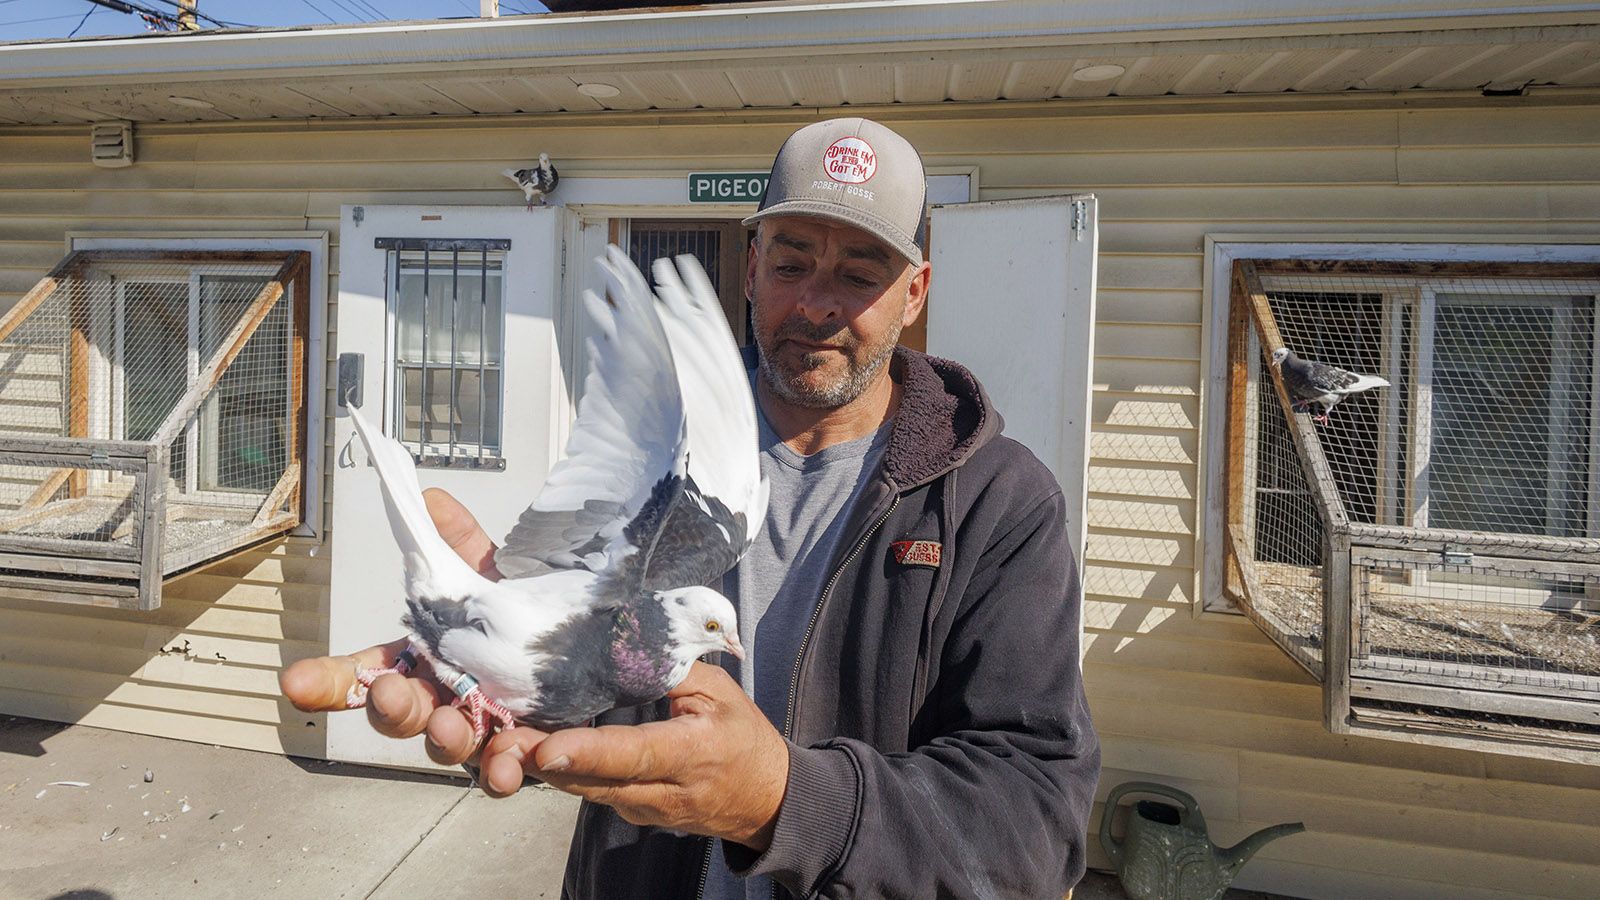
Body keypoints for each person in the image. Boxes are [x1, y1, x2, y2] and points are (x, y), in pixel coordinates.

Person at [282, 116, 1100, 899]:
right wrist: (494, 666)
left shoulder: (997, 505)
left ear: (914, 292)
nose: (817, 302)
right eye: (790, 264)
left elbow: (1036, 824)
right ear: (750, 269)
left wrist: (782, 799)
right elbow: (584, 684)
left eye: (859, 274)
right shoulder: (672, 459)